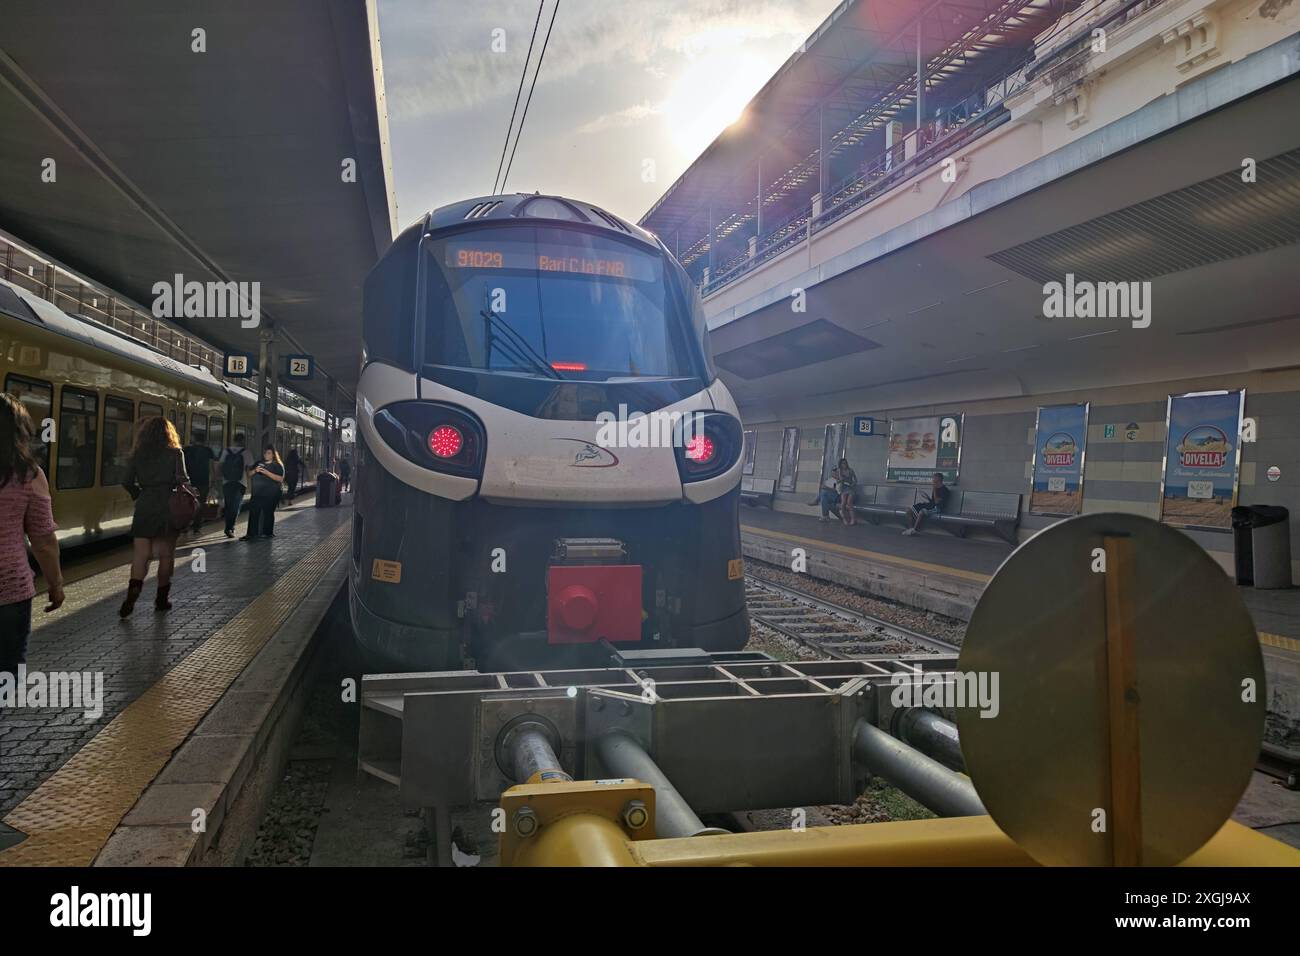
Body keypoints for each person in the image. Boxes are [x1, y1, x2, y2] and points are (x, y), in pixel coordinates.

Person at [0, 394, 64, 676]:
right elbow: (43, 540)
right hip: (8, 590)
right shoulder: (28, 474)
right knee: (5, 673)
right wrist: (56, 584)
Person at [120, 417, 189, 616]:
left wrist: (138, 494)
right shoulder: (176, 453)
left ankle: (133, 593)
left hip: (145, 505)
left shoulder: (138, 454)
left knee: (141, 555)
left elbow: (126, 481)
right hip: (168, 506)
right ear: (170, 433)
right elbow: (183, 480)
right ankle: (161, 599)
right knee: (166, 555)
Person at [244, 446, 285, 540]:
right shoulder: (258, 463)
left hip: (271, 494)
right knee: (254, 512)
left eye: (269, 453)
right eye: (265, 453)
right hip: (257, 492)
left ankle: (267, 533)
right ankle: (251, 534)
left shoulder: (277, 465)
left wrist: (267, 473)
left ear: (273, 455)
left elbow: (280, 479)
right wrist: (255, 470)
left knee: (268, 513)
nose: (266, 455)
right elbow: (248, 474)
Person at [219, 433, 253, 538]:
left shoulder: (226, 451)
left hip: (226, 482)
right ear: (243, 441)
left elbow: (220, 466)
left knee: (228, 505)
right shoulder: (246, 452)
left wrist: (217, 479)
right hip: (240, 483)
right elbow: (248, 470)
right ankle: (230, 528)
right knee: (236, 506)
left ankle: (228, 527)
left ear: (234, 441)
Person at [182, 437, 216, 532]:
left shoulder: (187, 450)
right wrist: (213, 480)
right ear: (204, 441)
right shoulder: (208, 450)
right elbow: (212, 465)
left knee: (187, 504)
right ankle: (197, 526)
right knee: (200, 503)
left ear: (193, 440)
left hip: (189, 482)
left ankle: (185, 525)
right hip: (203, 481)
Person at [903, 472, 951, 536]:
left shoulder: (944, 490)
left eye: (934, 479)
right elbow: (933, 501)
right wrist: (927, 497)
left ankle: (914, 529)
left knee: (922, 512)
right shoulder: (936, 488)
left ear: (938, 480)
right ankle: (910, 529)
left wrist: (934, 489)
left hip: (937, 508)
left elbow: (937, 502)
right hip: (931, 505)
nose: (932, 480)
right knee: (909, 510)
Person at [834, 458, 858, 527]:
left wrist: (853, 484)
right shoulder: (839, 471)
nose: (844, 464)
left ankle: (853, 519)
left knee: (849, 502)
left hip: (850, 488)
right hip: (843, 488)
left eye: (845, 463)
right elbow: (836, 481)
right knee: (843, 503)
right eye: (843, 463)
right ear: (840, 464)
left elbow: (855, 480)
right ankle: (844, 519)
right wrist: (840, 479)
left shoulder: (851, 470)